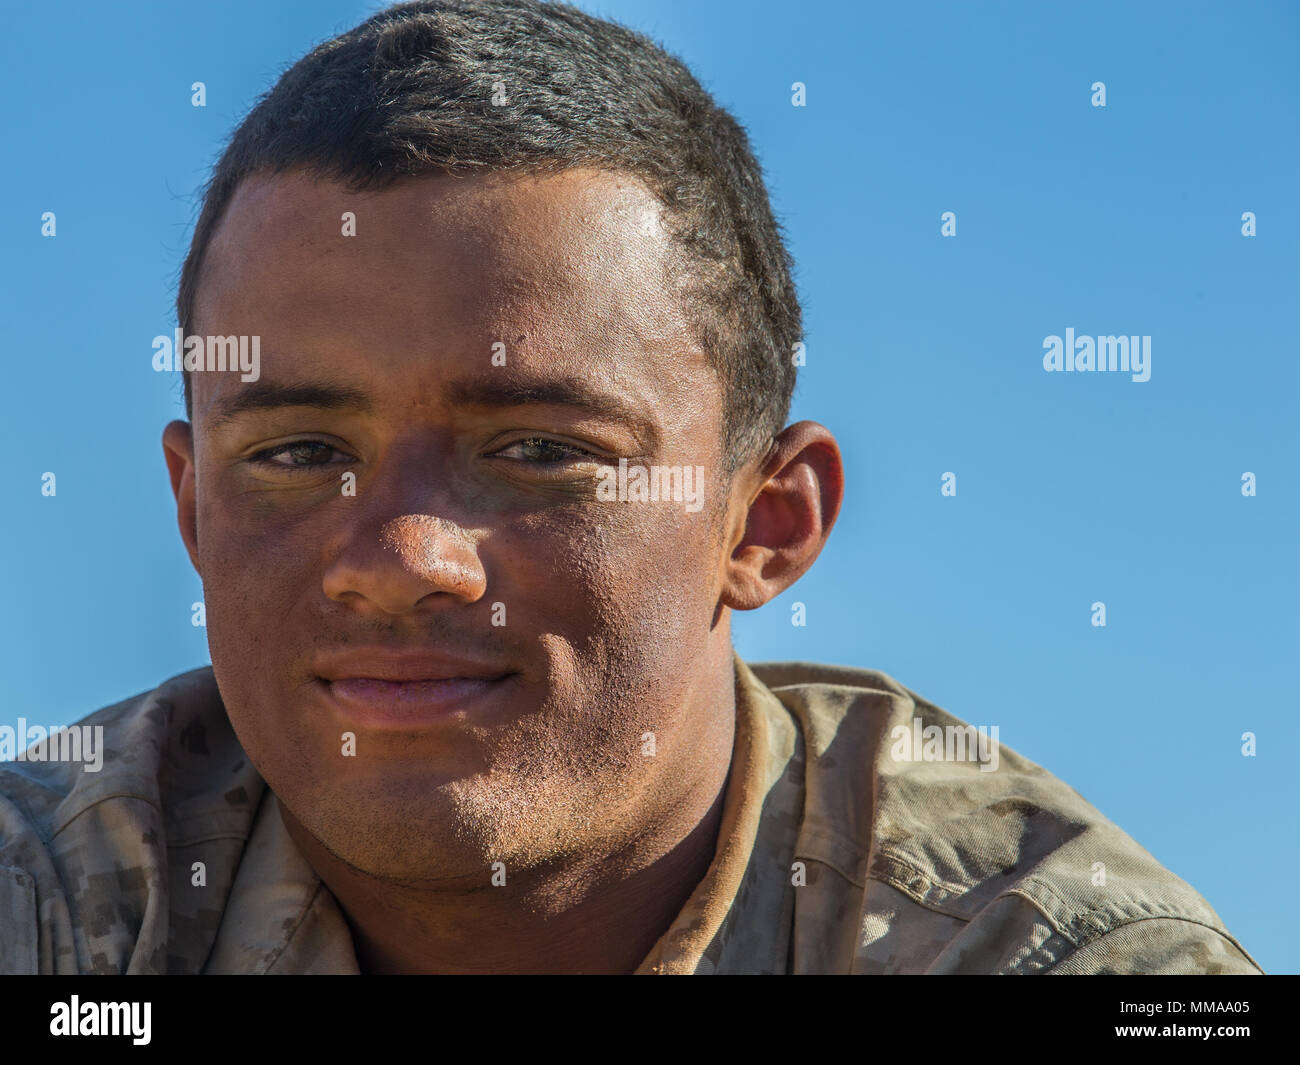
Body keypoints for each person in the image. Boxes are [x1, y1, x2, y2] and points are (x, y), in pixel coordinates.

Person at [0, 0, 1260, 974]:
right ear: (191, 511)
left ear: (764, 521)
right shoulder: (55, 906)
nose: (396, 556)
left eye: (541, 451)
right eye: (296, 455)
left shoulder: (1049, 957)